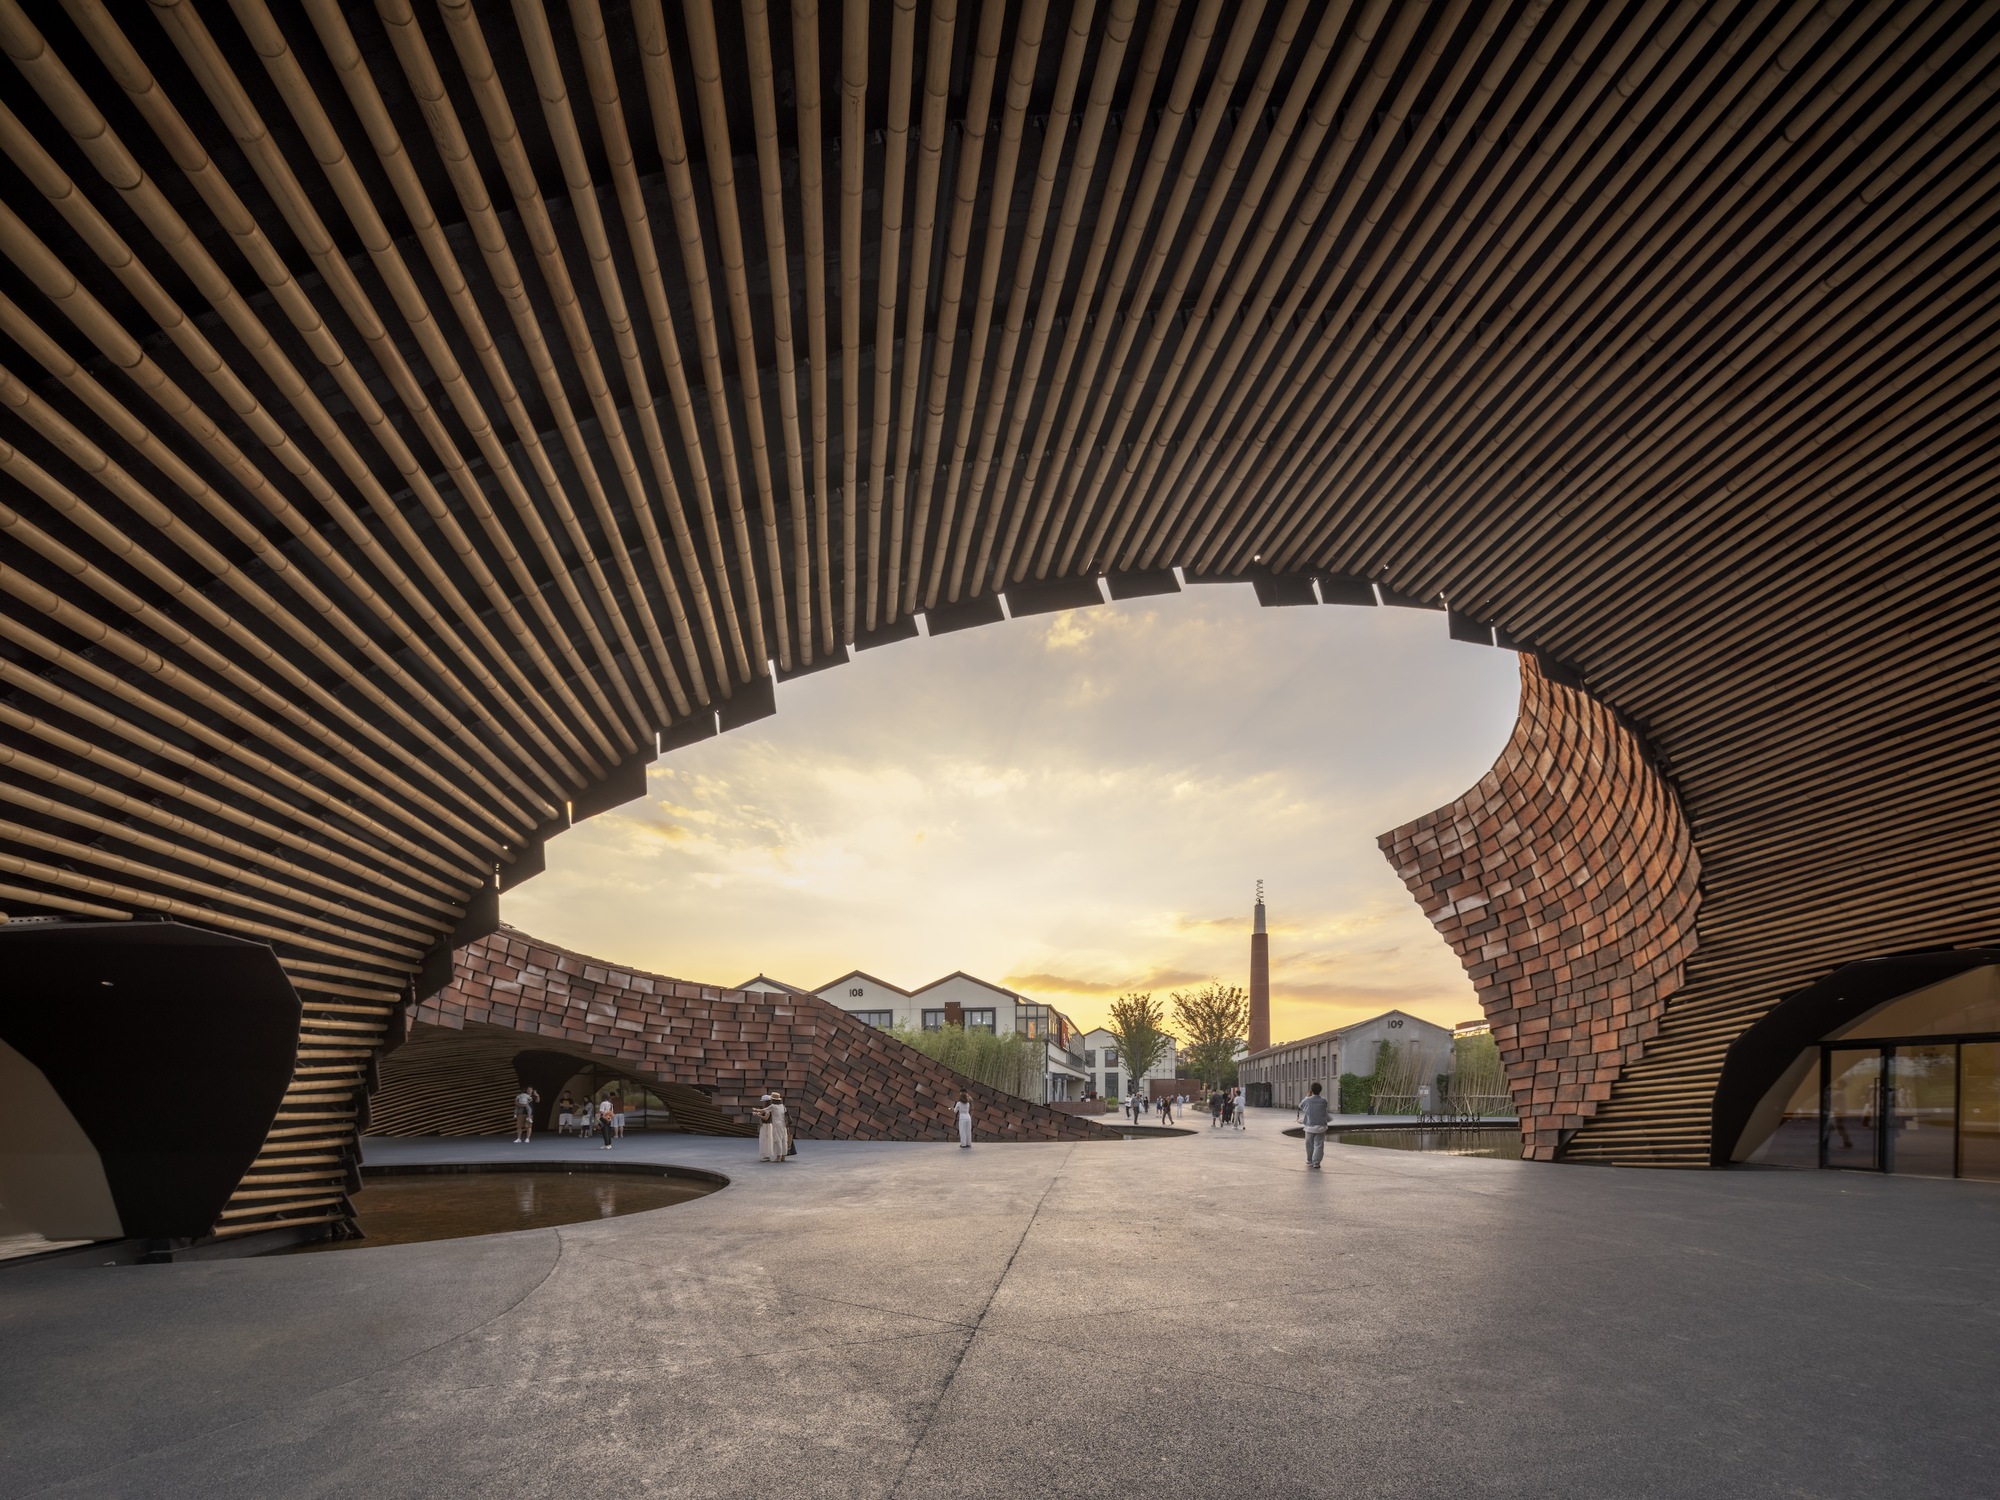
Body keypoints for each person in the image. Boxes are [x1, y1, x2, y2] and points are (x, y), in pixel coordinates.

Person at [1298, 1081, 1331, 1169]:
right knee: (1319, 1145)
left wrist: (1307, 1096)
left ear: (1311, 1090)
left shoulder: (1307, 1100)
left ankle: (1309, 1160)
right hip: (1321, 1126)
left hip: (1309, 1127)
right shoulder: (1324, 1101)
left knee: (1309, 1144)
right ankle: (1316, 1162)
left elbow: (1300, 1106)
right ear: (1320, 1090)